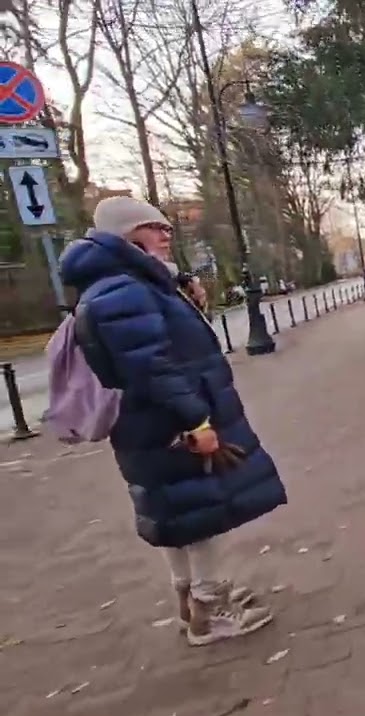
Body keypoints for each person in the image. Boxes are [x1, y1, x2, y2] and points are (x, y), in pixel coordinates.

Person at [59, 196, 286, 647]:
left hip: (150, 425)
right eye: (153, 227)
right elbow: (153, 366)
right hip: (170, 423)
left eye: (166, 227)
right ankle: (210, 611)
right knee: (200, 511)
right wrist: (197, 421)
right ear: (124, 235)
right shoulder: (123, 290)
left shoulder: (122, 283)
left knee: (177, 513)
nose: (166, 234)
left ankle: (191, 601)